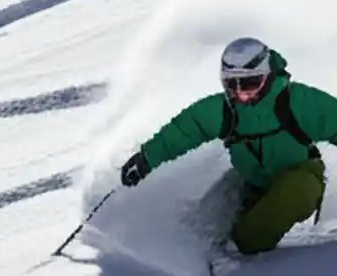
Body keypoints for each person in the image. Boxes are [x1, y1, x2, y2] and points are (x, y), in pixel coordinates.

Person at [119, 37, 337, 262]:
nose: (241, 94)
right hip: (250, 182)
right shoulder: (226, 110)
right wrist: (147, 157)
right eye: (233, 85)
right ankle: (197, 253)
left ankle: (238, 254)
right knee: (205, 222)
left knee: (269, 216)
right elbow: (185, 130)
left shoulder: (298, 102)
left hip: (301, 178)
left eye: (250, 83)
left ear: (268, 76)